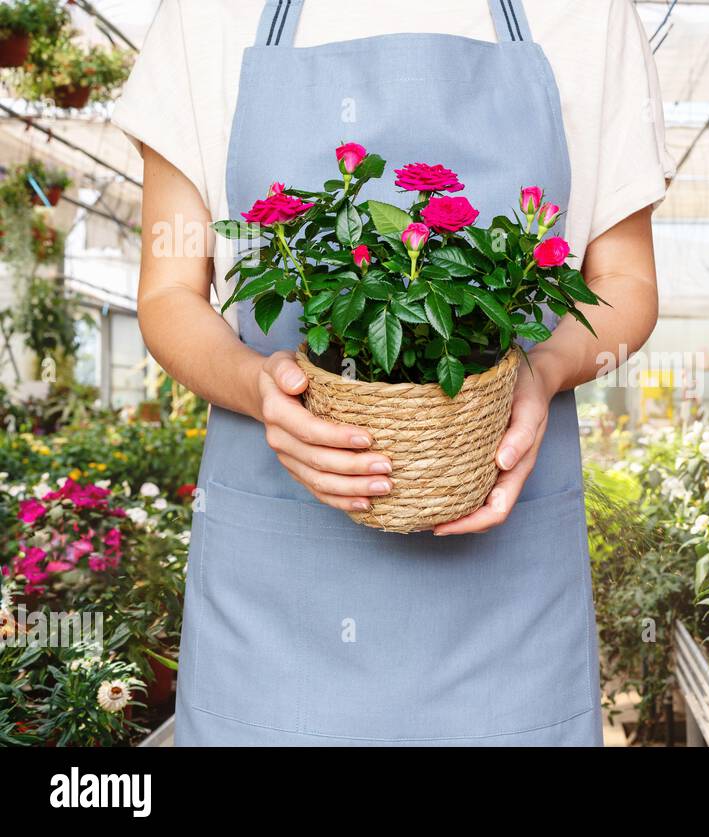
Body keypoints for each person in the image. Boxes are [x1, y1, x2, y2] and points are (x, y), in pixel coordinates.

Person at [114, 0, 671, 746]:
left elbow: (626, 279)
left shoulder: (589, 15)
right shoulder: (204, 15)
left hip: (505, 613)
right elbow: (167, 294)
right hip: (276, 610)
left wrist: (546, 369)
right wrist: (259, 388)